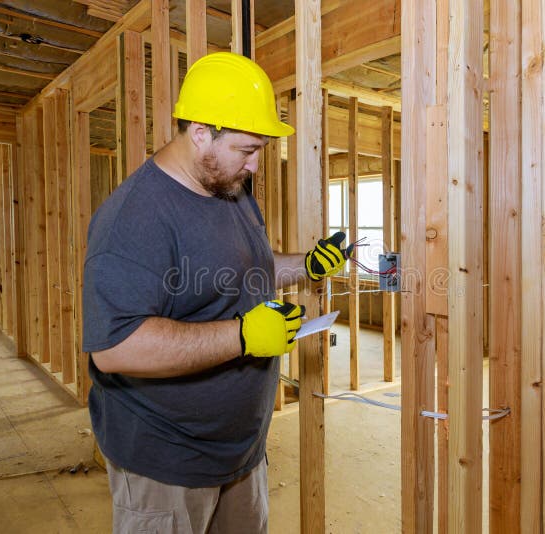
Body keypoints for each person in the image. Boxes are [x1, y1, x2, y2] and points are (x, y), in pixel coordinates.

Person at [82, 51, 349, 534]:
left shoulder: (230, 189)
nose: (255, 164)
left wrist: (305, 267)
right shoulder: (135, 219)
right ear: (201, 132)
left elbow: (246, 271)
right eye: (247, 149)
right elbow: (116, 348)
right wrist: (243, 337)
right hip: (168, 462)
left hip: (241, 453)